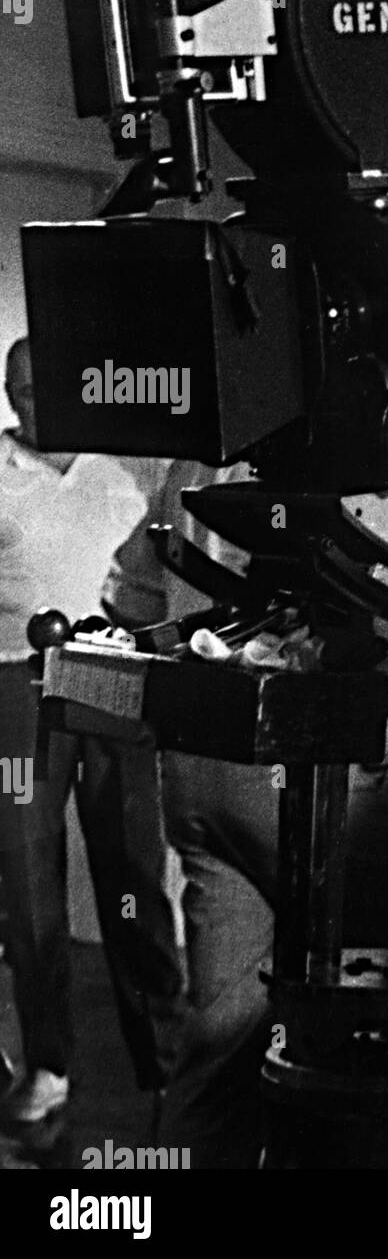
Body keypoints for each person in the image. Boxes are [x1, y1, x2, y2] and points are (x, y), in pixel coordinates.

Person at [0, 338, 183, 1124]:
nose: (36, 405)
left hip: (107, 671)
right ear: (9, 397)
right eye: (22, 391)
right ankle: (48, 1067)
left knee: (135, 871)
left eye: (50, 388)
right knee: (25, 883)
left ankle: (166, 1064)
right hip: (9, 682)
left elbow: (156, 583)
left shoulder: (125, 474)